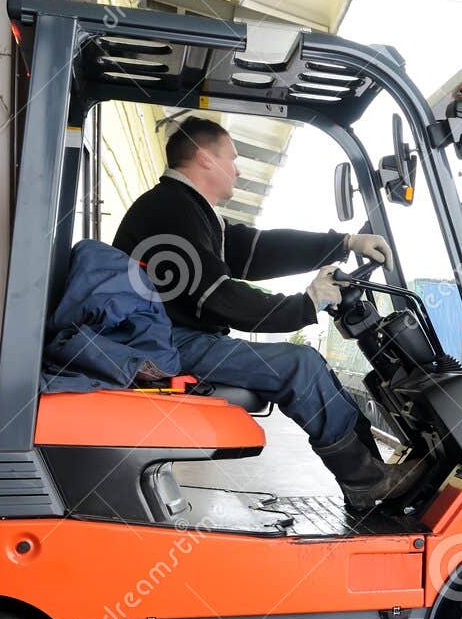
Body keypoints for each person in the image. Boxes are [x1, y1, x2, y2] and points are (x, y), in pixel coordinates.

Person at [112, 116, 425, 510]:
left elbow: (254, 249)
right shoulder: (171, 210)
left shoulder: (187, 209)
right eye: (232, 158)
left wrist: (344, 243)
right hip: (165, 345)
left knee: (311, 365)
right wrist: (305, 304)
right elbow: (218, 297)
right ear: (206, 158)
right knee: (301, 366)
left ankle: (370, 477)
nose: (238, 169)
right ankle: (365, 481)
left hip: (172, 338)